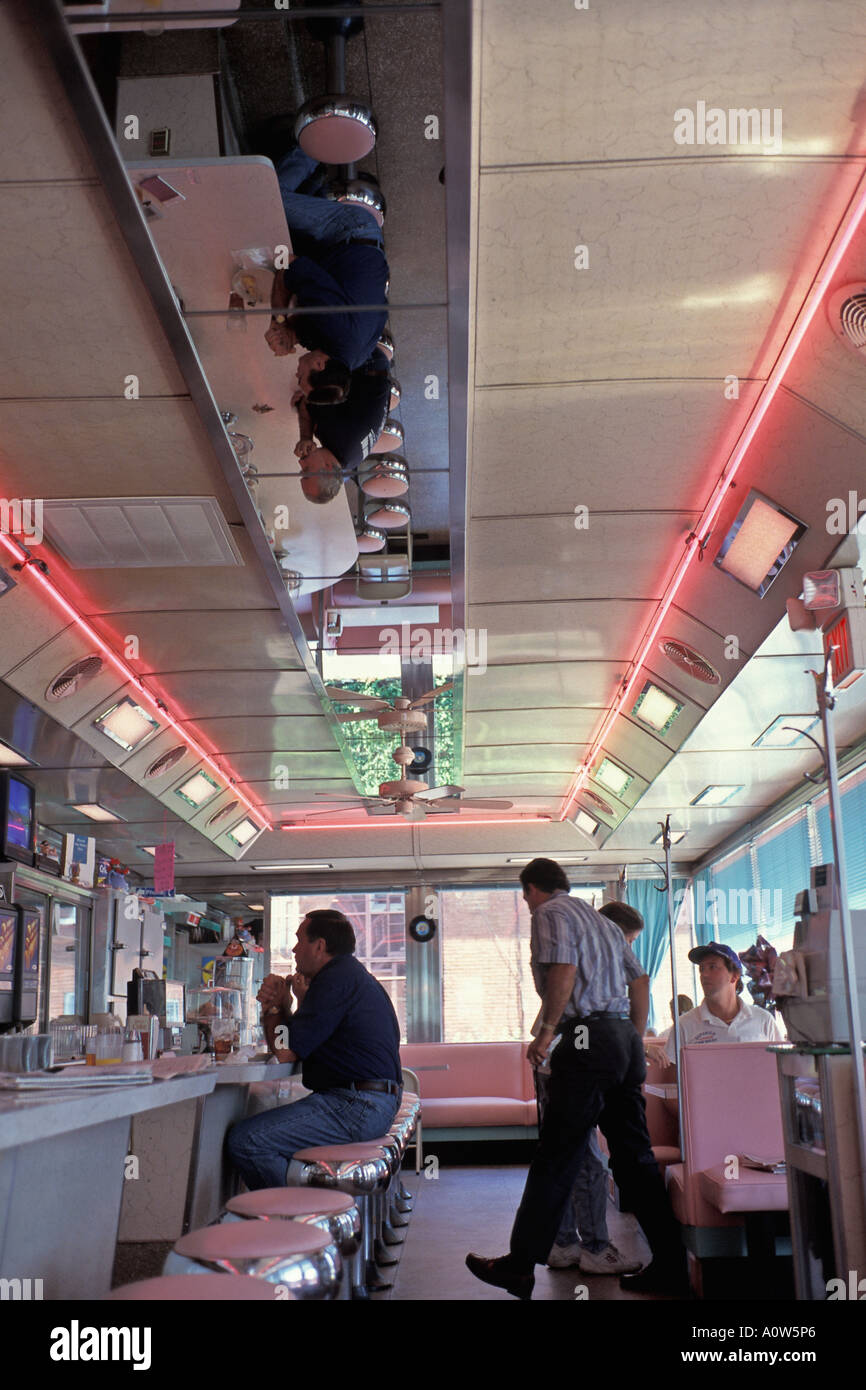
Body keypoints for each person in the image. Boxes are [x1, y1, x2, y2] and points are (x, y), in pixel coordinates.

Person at [466, 859, 686, 1299]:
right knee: (634, 1159)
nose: (527, 904)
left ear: (532, 889)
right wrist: (633, 1033)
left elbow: (563, 971)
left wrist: (546, 1034)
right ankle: (672, 1268)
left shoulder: (550, 914)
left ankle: (519, 1265)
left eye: (525, 895)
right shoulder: (601, 920)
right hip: (622, 1038)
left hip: (586, 1037)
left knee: (556, 1154)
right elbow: (639, 980)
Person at [226, 909, 402, 1190]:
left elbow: (284, 1051)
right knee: (259, 1137)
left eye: (299, 941)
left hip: (357, 1106)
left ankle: (291, 1223)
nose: (294, 949)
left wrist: (273, 1006)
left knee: (248, 1141)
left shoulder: (333, 980)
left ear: (319, 946)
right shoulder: (349, 976)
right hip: (371, 1102)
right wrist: (284, 1006)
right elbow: (299, 1040)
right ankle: (304, 1211)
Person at [544, 899, 647, 1275]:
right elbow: (640, 982)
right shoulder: (593, 972)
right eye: (628, 941)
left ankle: (565, 1243)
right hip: (576, 1060)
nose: (628, 950)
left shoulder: (578, 960)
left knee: (571, 1157)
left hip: (562, 1059)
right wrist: (632, 1044)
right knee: (587, 1161)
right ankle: (595, 1247)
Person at [265, 144, 389, 376]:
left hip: (338, 256)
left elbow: (308, 327)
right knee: (268, 204)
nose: (296, 375)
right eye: (301, 377)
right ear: (319, 366)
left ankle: (316, 181)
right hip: (351, 231)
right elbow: (287, 261)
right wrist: (278, 319)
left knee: (273, 238)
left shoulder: (346, 358)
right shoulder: (338, 332)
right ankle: (315, 145)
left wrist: (289, 333)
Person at [656, 944, 785, 1066]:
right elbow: (673, 1078)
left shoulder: (763, 1020)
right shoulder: (684, 1025)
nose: (704, 975)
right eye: (702, 969)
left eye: (712, 967)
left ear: (734, 976)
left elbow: (782, 1066)